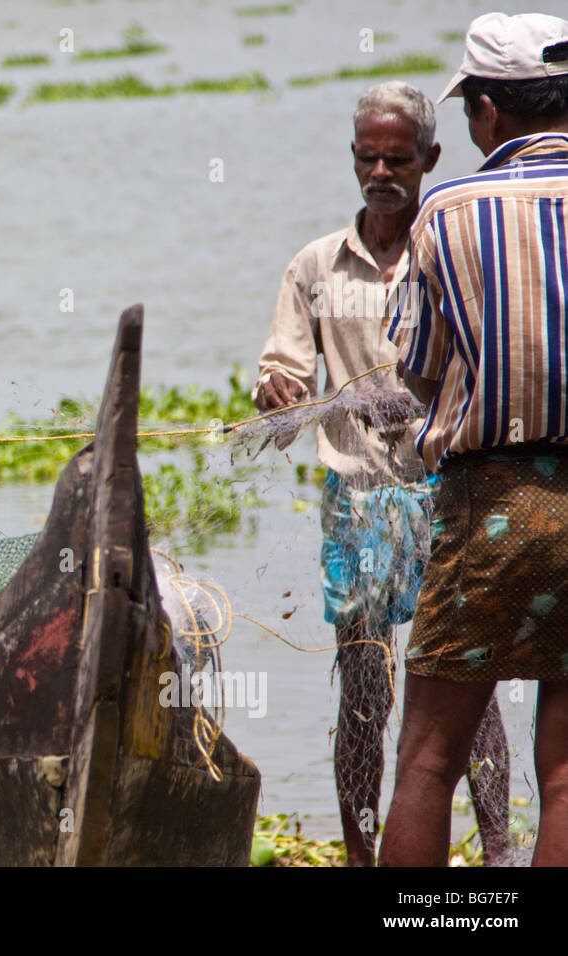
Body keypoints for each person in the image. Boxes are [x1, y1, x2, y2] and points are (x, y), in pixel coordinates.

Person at [253, 83, 509, 866]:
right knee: (363, 684)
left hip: (447, 494)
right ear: (354, 158)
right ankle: (361, 854)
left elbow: (488, 361)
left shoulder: (455, 249)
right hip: (357, 498)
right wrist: (278, 392)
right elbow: (282, 372)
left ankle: (499, 849)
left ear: (431, 159)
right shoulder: (316, 265)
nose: (381, 173)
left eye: (398, 159)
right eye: (368, 158)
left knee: (468, 687)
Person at [380, 12, 568, 867]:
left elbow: (416, 366)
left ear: (488, 110)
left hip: (493, 504)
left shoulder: (451, 209)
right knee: (565, 774)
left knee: (428, 759)